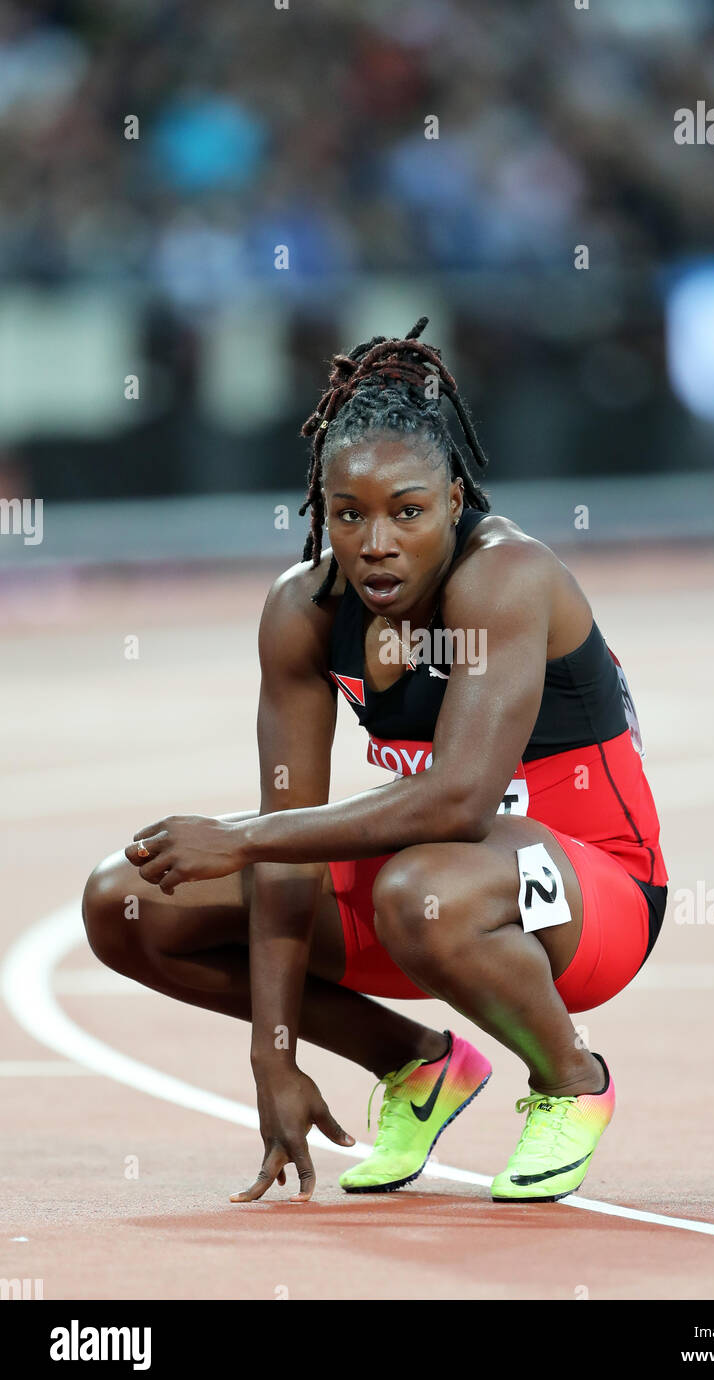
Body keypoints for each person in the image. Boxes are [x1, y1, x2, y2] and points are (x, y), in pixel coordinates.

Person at [82, 317, 668, 1205]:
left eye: (407, 511)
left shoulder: (507, 578)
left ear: (456, 499)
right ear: (321, 509)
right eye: (350, 515)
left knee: (418, 881)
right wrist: (271, 1058)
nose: (377, 542)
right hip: (431, 889)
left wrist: (240, 837)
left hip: (593, 898)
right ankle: (417, 1068)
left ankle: (572, 1081)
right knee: (126, 901)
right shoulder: (303, 612)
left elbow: (461, 803)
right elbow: (287, 849)